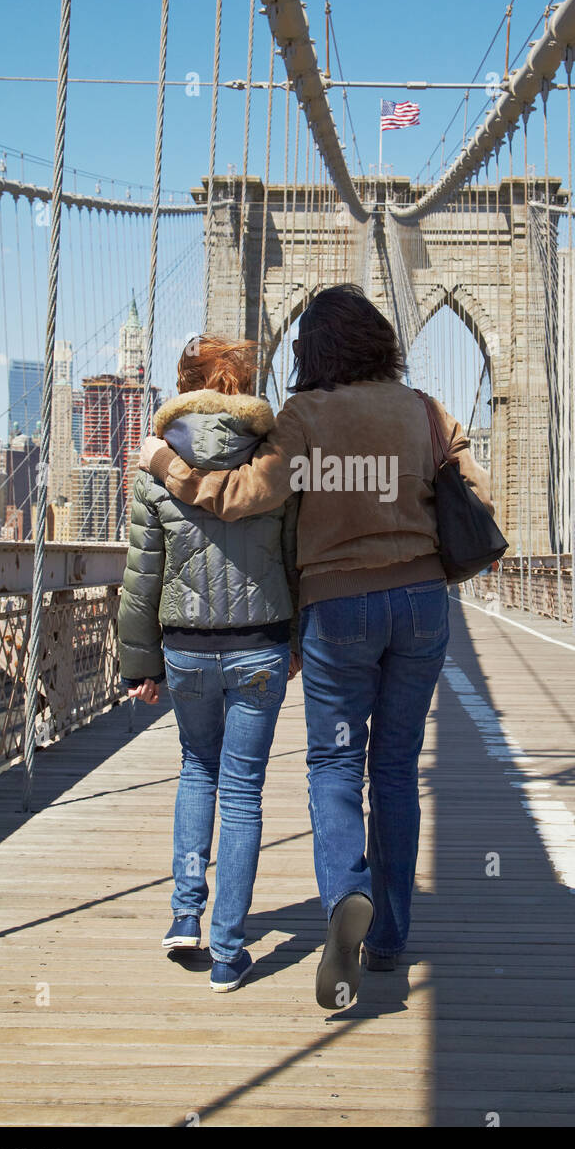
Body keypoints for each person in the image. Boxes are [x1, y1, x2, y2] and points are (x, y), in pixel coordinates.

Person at [138, 284, 493, 1010]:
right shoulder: (426, 411)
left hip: (338, 612)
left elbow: (241, 496)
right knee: (395, 768)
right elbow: (480, 499)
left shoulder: (304, 418)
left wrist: (165, 465)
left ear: (316, 352)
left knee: (335, 763)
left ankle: (344, 901)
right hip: (422, 606)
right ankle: (389, 937)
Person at [118, 334, 300, 993]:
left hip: (186, 648)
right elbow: (294, 560)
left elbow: (141, 579)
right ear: (244, 386)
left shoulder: (155, 465)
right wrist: (296, 640)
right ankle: (228, 952)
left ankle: (184, 915)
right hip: (260, 644)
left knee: (198, 769)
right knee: (243, 792)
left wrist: (140, 666)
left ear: (184, 385)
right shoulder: (274, 461)